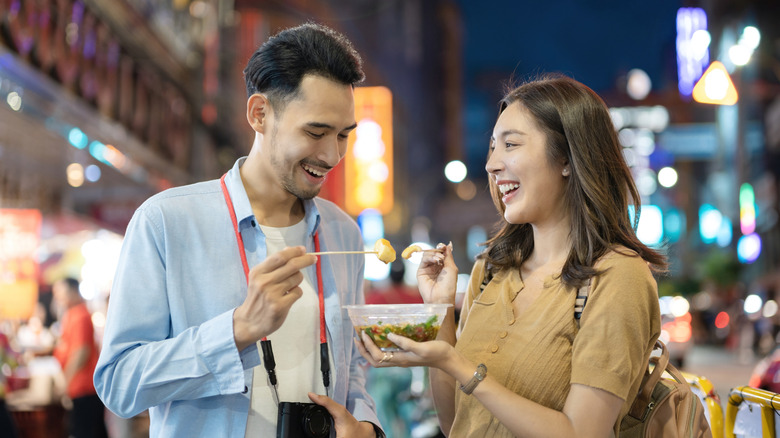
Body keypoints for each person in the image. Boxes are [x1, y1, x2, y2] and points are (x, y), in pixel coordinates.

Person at [94, 23, 383, 437]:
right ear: (259, 114)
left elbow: (352, 367)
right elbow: (118, 384)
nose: (332, 154)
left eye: (342, 136)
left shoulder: (343, 233)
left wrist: (366, 426)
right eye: (316, 132)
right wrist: (236, 330)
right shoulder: (167, 221)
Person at [357, 74, 667, 437]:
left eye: (511, 145)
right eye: (492, 147)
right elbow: (454, 420)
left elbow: (582, 432)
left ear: (567, 158)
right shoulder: (491, 269)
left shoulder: (617, 277)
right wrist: (440, 313)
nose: (491, 164)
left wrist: (459, 365)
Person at [52, 277, 108, 438]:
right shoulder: (70, 314)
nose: (57, 297)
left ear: (72, 290)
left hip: (85, 388)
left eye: (60, 292)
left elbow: (81, 352)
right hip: (79, 389)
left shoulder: (80, 315)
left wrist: (65, 382)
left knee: (85, 432)